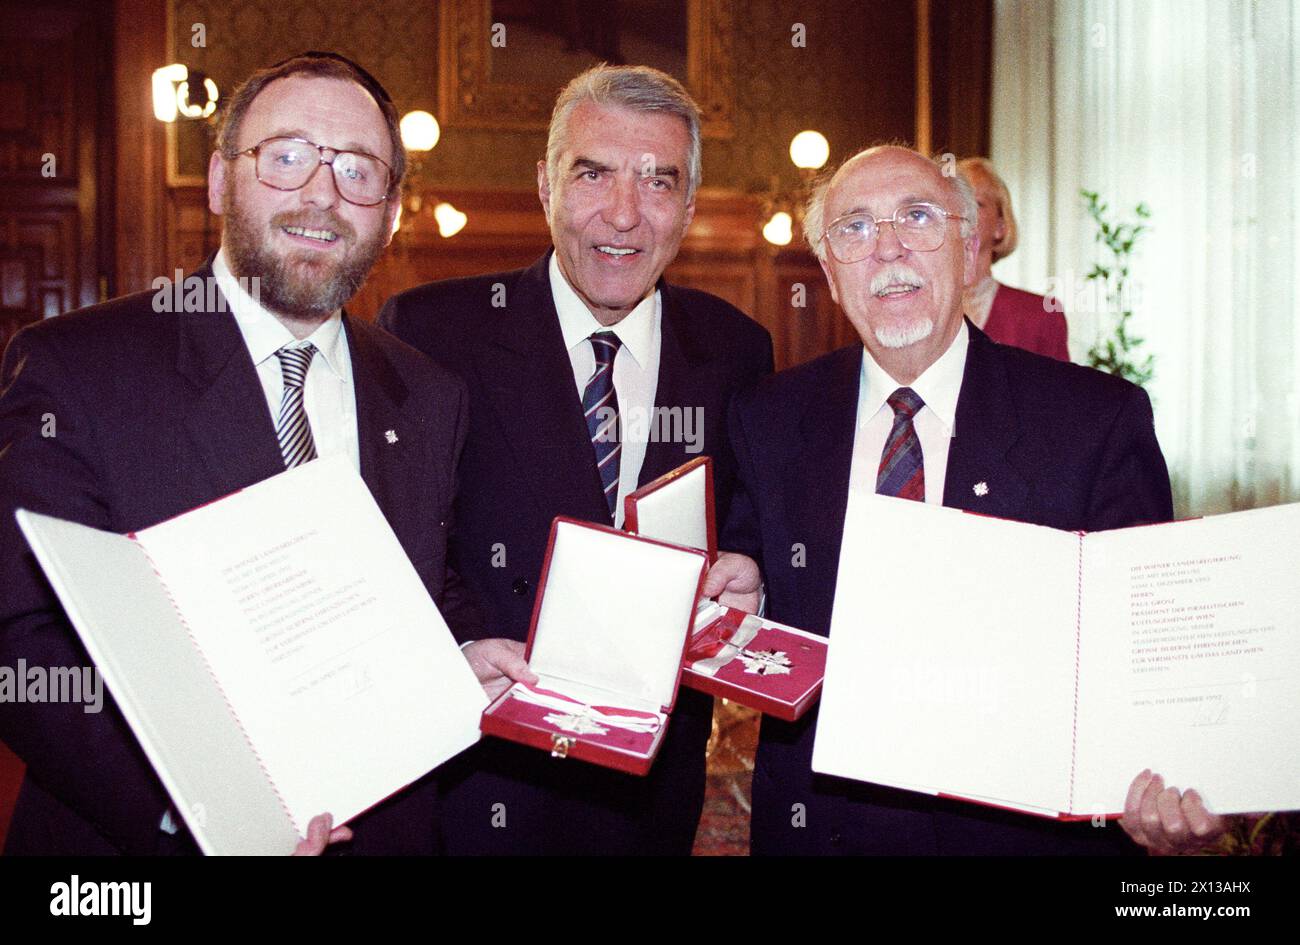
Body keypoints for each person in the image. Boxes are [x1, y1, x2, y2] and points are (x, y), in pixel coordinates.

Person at [0, 53, 481, 855]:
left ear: (392, 211)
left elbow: (426, 575)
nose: (322, 194)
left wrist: (464, 648)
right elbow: (24, 637)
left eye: (358, 169)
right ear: (221, 181)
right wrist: (207, 817)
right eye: (287, 156)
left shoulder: (428, 391)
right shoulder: (78, 367)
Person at [716, 144, 1225, 855]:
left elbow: (1147, 652)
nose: (887, 247)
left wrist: (1178, 776)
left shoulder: (1094, 422)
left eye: (916, 217)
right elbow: (753, 588)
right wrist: (741, 604)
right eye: (855, 228)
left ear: (966, 249)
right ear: (830, 274)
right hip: (822, 828)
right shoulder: (767, 417)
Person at [378, 64, 773, 854]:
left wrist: (750, 572)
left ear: (689, 206)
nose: (624, 214)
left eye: (658, 181)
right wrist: (457, 647)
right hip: (480, 764)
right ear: (544, 185)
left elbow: (749, 525)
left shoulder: (734, 347)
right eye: (592, 173)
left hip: (652, 785)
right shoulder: (433, 331)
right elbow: (392, 537)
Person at [957, 156, 1070, 360]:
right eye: (956, 203)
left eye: (977, 203)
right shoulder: (914, 309)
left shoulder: (1039, 315)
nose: (964, 212)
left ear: (1000, 227)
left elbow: (1057, 391)